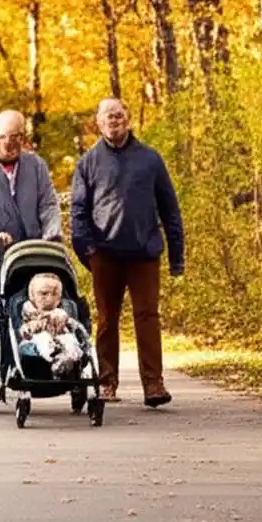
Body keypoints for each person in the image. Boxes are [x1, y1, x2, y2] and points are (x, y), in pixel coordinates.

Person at [69, 97, 184, 407]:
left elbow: (170, 209)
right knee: (107, 320)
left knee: (147, 316)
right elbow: (78, 212)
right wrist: (87, 250)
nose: (114, 120)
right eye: (108, 116)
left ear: (128, 119)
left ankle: (154, 384)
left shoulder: (150, 159)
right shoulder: (88, 163)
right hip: (104, 254)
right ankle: (107, 382)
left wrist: (177, 257)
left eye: (118, 115)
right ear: (98, 123)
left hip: (144, 253)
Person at [0, 109, 62, 399]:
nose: (9, 143)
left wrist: (51, 234)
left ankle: (19, 367)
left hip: (26, 253)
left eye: (16, 137)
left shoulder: (35, 165)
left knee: (21, 310)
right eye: (4, 137)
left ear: (23, 137)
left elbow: (48, 203)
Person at [19, 272, 85, 378]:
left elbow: (73, 325)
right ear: (32, 296)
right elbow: (25, 327)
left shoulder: (61, 312)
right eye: (43, 294)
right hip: (37, 338)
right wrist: (30, 328)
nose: (49, 298)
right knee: (42, 339)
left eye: (54, 294)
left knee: (70, 340)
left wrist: (68, 322)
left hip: (61, 335)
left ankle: (68, 358)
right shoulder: (29, 310)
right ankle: (54, 355)